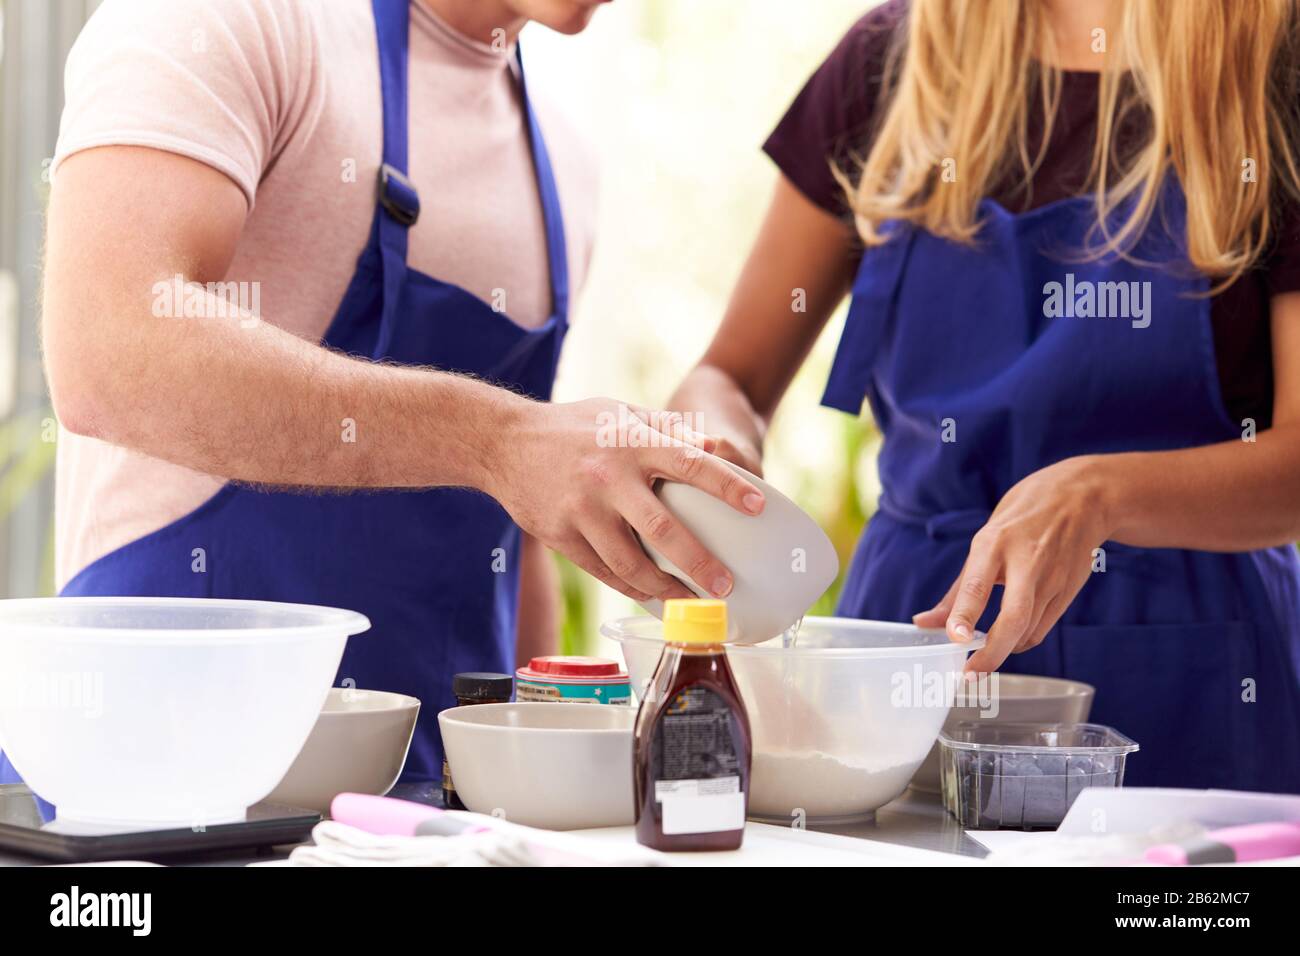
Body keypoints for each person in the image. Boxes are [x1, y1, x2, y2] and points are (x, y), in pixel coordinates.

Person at [4, 0, 765, 791]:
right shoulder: (234, 20)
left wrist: (532, 779)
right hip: (158, 776)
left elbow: (518, 520)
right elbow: (107, 347)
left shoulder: (567, 163)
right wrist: (499, 439)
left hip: (425, 814)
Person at [669, 0, 1300, 791]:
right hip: (910, 654)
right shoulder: (894, 56)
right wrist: (715, 447)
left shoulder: (1275, 56)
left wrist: (1100, 494)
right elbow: (731, 377)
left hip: (1197, 667)